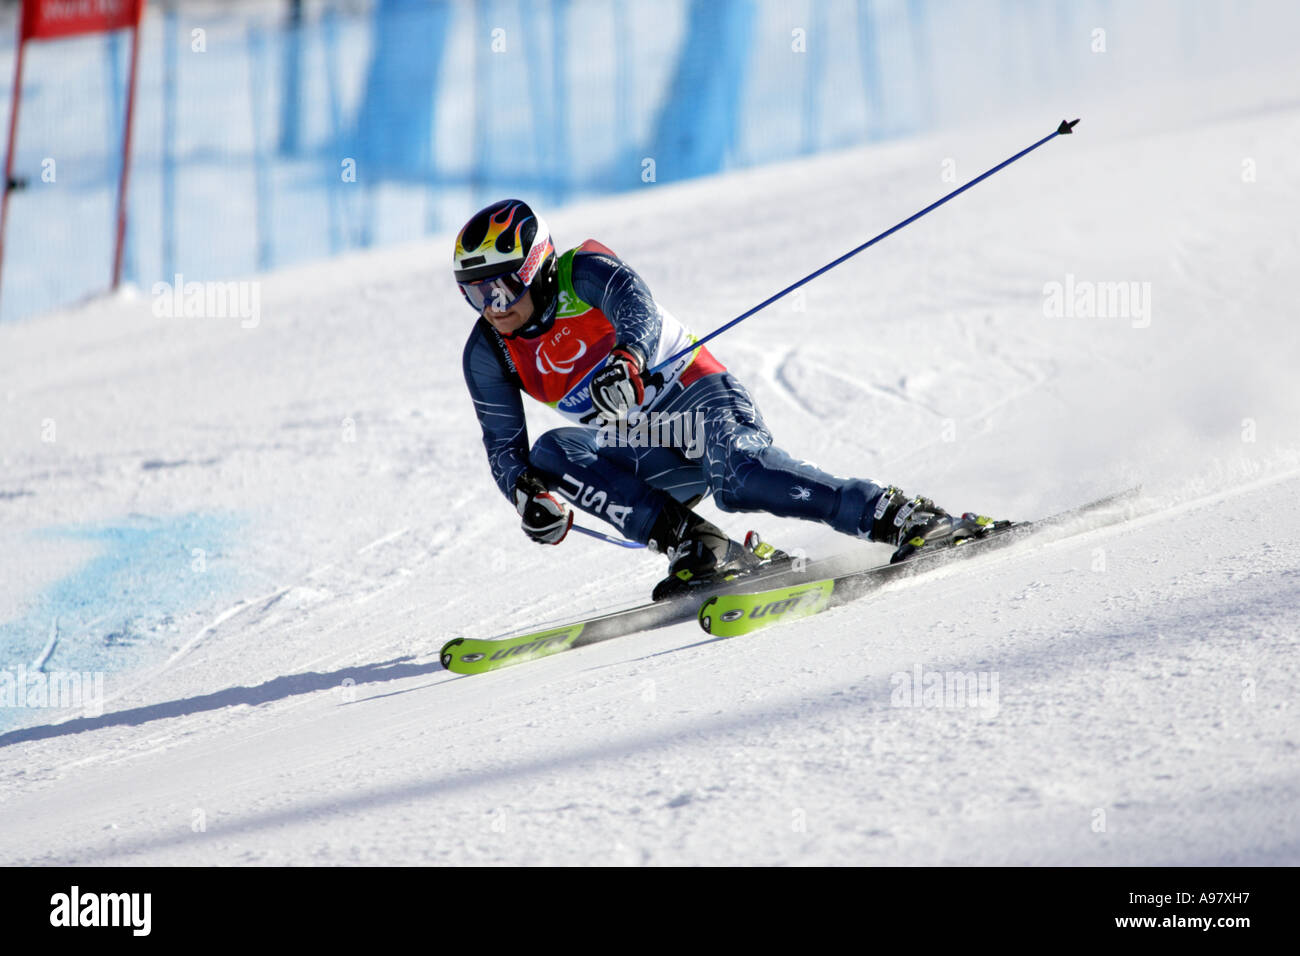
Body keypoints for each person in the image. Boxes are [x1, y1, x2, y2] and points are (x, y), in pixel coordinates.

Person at [458, 199, 995, 600]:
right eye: (475, 293)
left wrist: (629, 361)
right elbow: (504, 445)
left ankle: (904, 516)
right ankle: (703, 548)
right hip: (647, 443)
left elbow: (635, 308)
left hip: (698, 397)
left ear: (536, 268)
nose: (493, 307)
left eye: (500, 288)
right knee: (552, 454)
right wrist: (526, 495)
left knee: (740, 480)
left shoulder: (582, 271)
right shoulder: (489, 352)